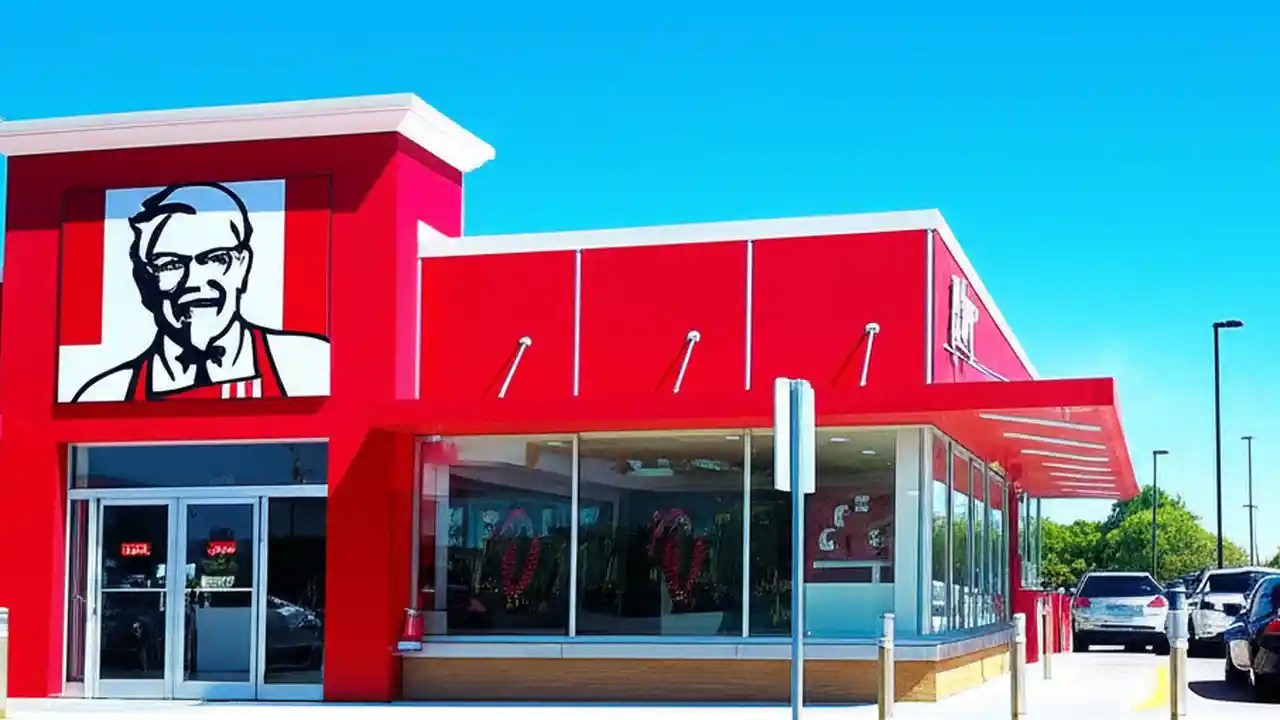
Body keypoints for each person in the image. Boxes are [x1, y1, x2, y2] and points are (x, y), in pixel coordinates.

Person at [73, 183, 329, 402]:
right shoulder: (106, 393)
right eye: (171, 264)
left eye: (216, 258)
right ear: (144, 280)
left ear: (242, 266)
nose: (194, 282)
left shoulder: (307, 365)